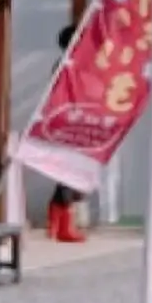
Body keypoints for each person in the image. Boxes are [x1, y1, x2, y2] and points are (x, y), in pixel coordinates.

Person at [46, 23, 86, 244]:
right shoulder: (67, 64)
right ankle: (63, 226)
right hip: (67, 120)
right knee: (68, 172)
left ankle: (56, 222)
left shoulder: (68, 64)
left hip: (70, 119)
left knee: (67, 172)